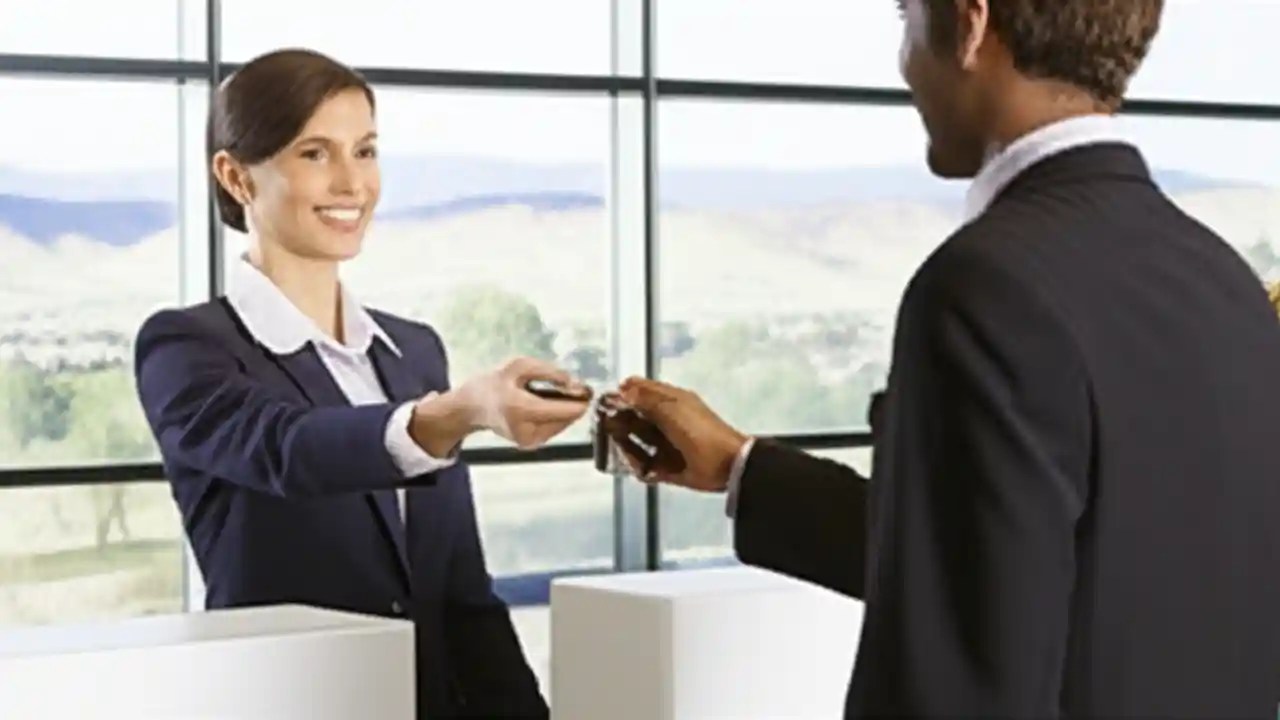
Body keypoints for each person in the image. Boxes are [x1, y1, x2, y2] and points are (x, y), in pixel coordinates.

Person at [618, 0, 1280, 716]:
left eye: (904, 16)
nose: (902, 58)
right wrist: (741, 468)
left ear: (969, 25)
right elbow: (1034, 568)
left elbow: (953, 669)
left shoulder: (983, 291)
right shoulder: (1225, 283)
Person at [134, 48, 588, 718]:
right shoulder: (187, 347)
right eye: (315, 154)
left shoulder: (413, 352)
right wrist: (457, 411)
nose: (352, 182)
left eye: (366, 151)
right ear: (235, 177)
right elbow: (286, 449)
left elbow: (462, 592)